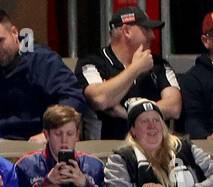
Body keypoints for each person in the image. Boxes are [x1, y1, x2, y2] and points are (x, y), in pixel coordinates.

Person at [105, 99, 213, 187]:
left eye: (156, 120)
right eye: (144, 121)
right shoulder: (121, 159)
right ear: (133, 130)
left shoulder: (185, 147)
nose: (152, 125)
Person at [0, 8, 86, 140]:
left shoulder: (41, 60)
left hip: (38, 140)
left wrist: (52, 132)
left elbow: (73, 96)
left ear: (14, 33)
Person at [77, 6, 182, 141]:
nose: (153, 36)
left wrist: (129, 114)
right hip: (107, 150)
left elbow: (174, 106)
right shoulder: (93, 61)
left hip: (153, 151)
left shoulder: (158, 64)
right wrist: (135, 68)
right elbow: (100, 99)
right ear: (126, 31)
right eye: (146, 29)